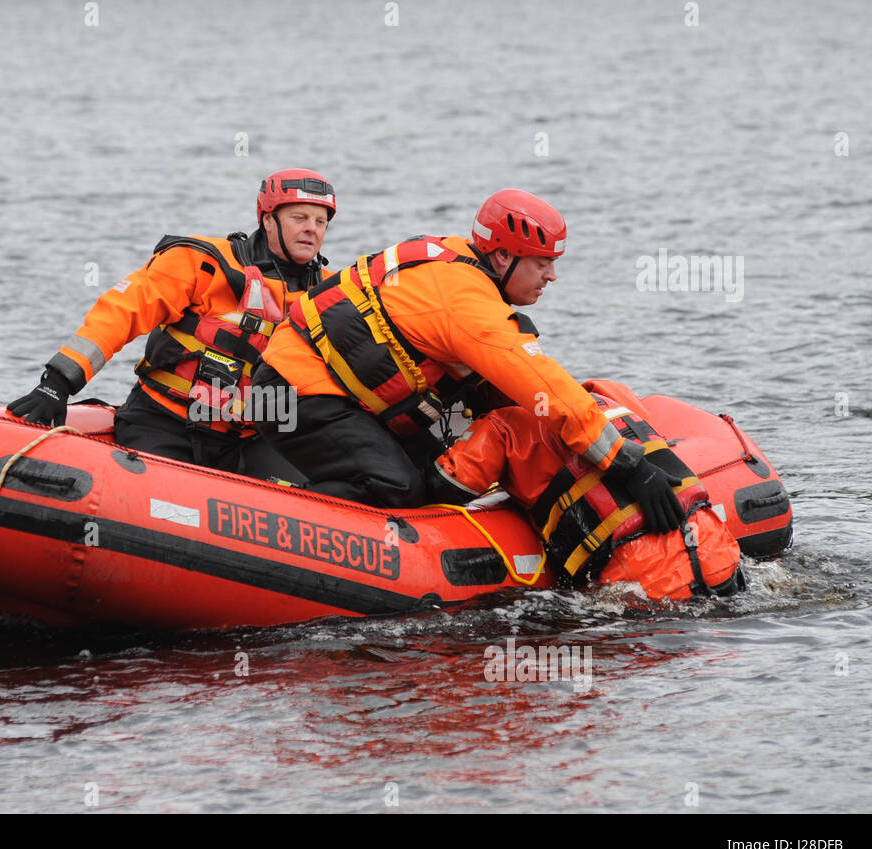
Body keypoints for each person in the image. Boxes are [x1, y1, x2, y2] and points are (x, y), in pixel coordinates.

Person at [252, 188, 683, 532]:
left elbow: (507, 393)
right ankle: (270, 514)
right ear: (501, 256)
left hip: (338, 391)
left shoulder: (456, 266)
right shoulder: (468, 303)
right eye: (542, 264)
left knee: (436, 481)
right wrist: (629, 464)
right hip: (294, 388)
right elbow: (544, 386)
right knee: (397, 488)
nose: (552, 276)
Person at [7, 170, 336, 477]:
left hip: (256, 436)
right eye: (299, 217)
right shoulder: (202, 263)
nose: (312, 229)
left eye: (321, 222)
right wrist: (59, 381)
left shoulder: (330, 296)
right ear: (267, 220)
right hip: (166, 423)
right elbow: (122, 312)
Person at [433, 384, 745, 600]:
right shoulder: (600, 398)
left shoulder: (503, 425)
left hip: (643, 576)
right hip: (717, 549)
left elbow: (448, 486)